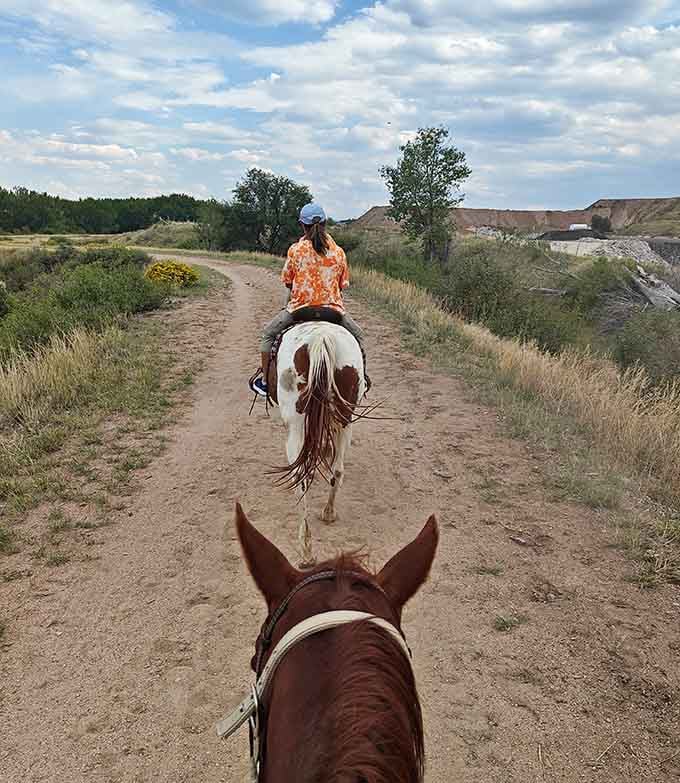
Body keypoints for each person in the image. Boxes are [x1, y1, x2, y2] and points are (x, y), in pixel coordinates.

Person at [249, 202, 366, 397]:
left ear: (302, 225)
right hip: (333, 312)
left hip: (299, 309)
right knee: (359, 337)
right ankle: (363, 380)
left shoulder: (296, 250)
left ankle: (264, 381)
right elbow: (342, 285)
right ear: (325, 224)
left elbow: (287, 281)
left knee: (268, 335)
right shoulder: (338, 252)